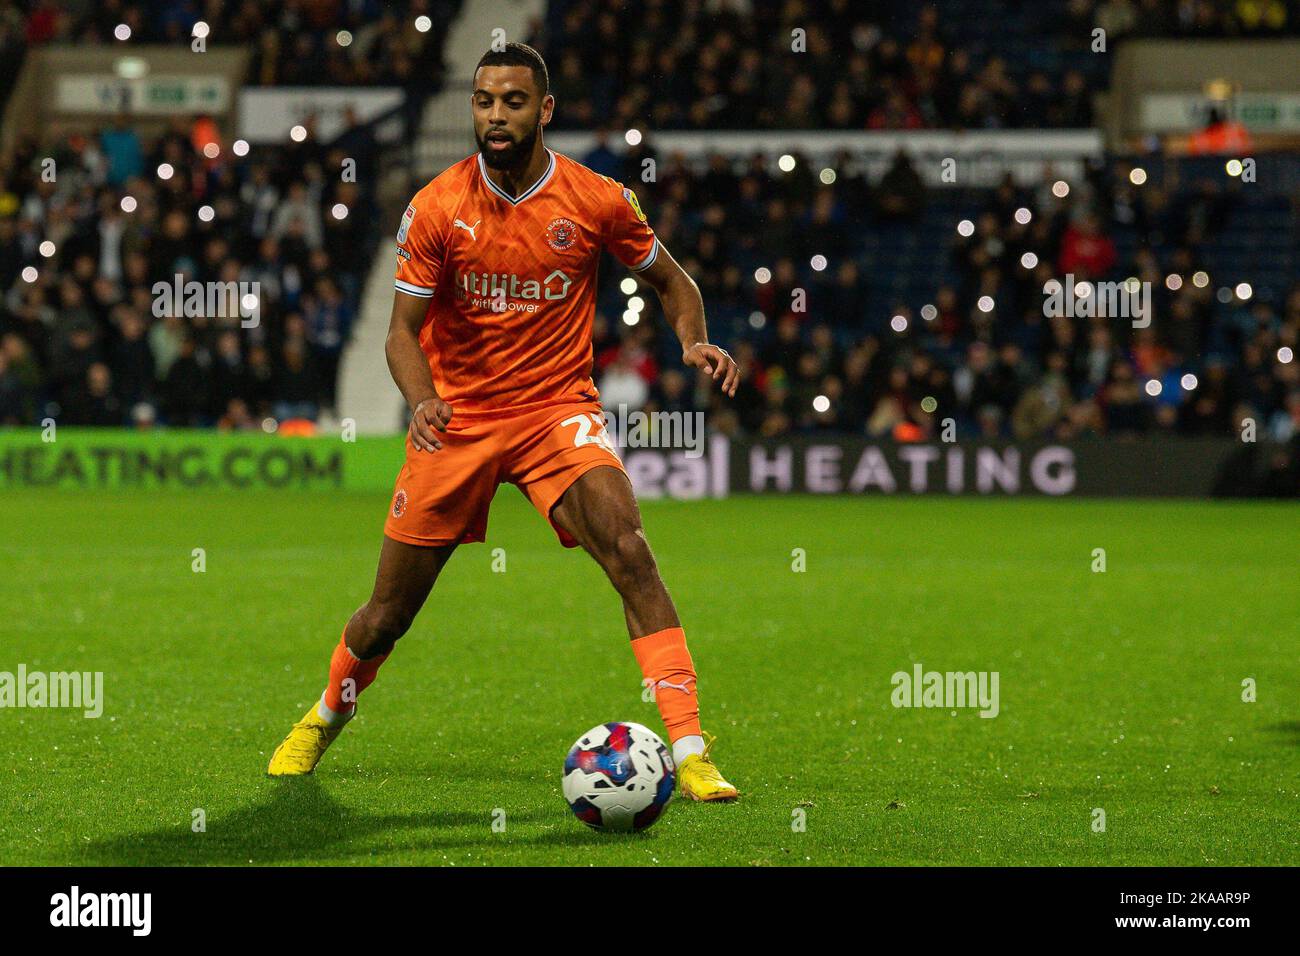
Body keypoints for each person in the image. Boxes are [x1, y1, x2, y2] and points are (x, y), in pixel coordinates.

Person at [267, 43, 740, 801]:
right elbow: (400, 332)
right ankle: (323, 717)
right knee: (388, 614)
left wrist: (693, 340)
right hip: (459, 419)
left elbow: (671, 280)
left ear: (544, 109)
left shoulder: (597, 199)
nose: (495, 115)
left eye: (512, 102)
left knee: (630, 548)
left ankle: (689, 750)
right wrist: (421, 399)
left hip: (557, 410)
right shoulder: (437, 206)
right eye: (484, 101)